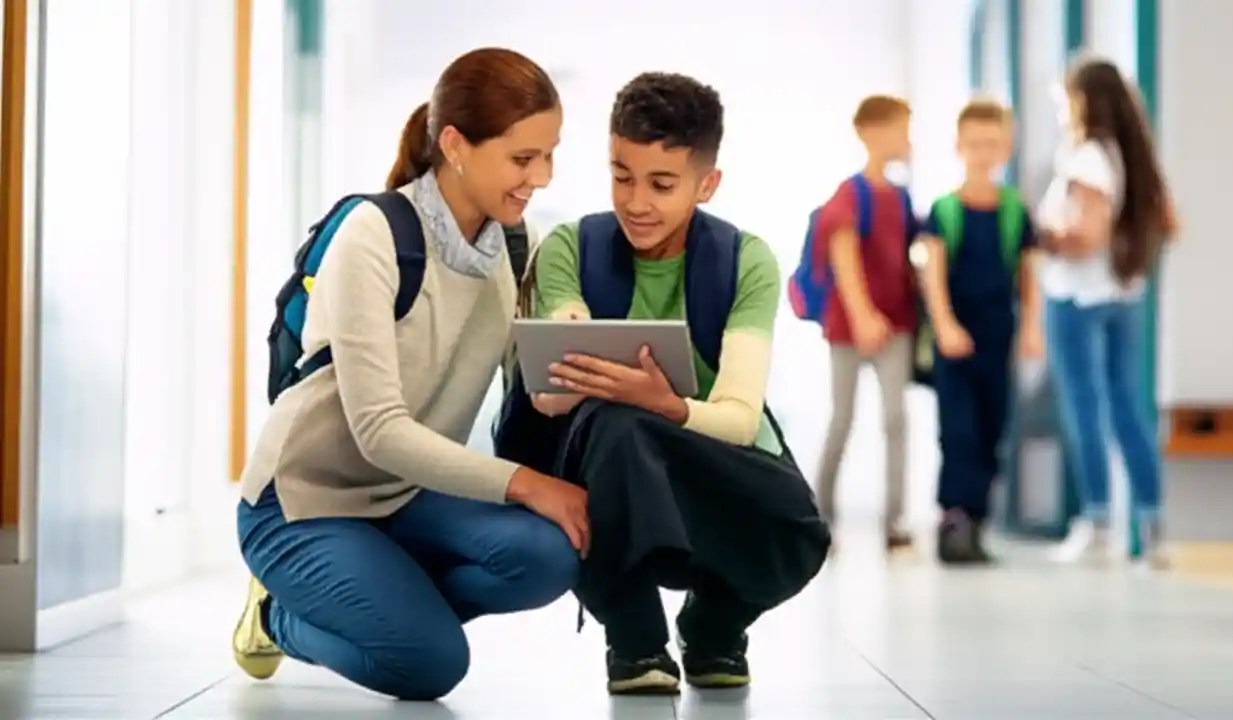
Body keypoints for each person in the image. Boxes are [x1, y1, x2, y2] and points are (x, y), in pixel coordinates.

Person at [231, 48, 587, 702]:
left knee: (548, 558)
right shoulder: (375, 232)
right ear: (455, 144)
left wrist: (580, 365)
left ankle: (386, 600)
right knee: (430, 666)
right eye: (522, 158)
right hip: (306, 501)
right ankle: (278, 617)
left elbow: (529, 386)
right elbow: (380, 433)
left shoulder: (513, 241)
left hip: (407, 495)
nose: (541, 176)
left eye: (549, 154)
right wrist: (526, 484)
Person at [496, 72, 829, 696]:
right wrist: (611, 390)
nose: (636, 202)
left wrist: (667, 404)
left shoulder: (745, 261)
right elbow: (548, 391)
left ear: (708, 184)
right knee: (619, 427)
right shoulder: (570, 246)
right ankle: (635, 640)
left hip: (706, 450)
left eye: (662, 184)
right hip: (603, 463)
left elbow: (735, 416)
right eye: (621, 175)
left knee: (799, 529)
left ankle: (713, 626)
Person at [1037, 55, 1177, 567]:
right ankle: (1154, 526)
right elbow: (1167, 223)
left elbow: (1087, 234)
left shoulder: (1087, 156)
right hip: (1123, 293)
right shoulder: (1129, 154)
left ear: (1082, 100)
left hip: (1078, 297)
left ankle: (1096, 521)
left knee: (1084, 407)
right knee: (1126, 408)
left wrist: (1044, 236)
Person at [916, 99, 1043, 564]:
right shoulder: (944, 210)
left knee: (993, 427)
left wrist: (1032, 327)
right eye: (974, 144)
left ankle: (979, 522)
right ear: (959, 147)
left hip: (998, 335)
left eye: (992, 144)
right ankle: (954, 520)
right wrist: (945, 324)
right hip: (955, 338)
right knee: (959, 430)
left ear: (1005, 148)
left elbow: (1028, 275)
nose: (983, 152)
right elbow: (932, 273)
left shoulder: (1015, 211)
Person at [814, 95, 918, 551]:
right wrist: (862, 316)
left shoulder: (900, 196)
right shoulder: (849, 194)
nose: (907, 139)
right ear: (871, 133)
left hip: (896, 324)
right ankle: (820, 517)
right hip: (851, 328)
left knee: (896, 419)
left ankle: (894, 523)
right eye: (900, 129)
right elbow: (843, 253)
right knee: (843, 418)